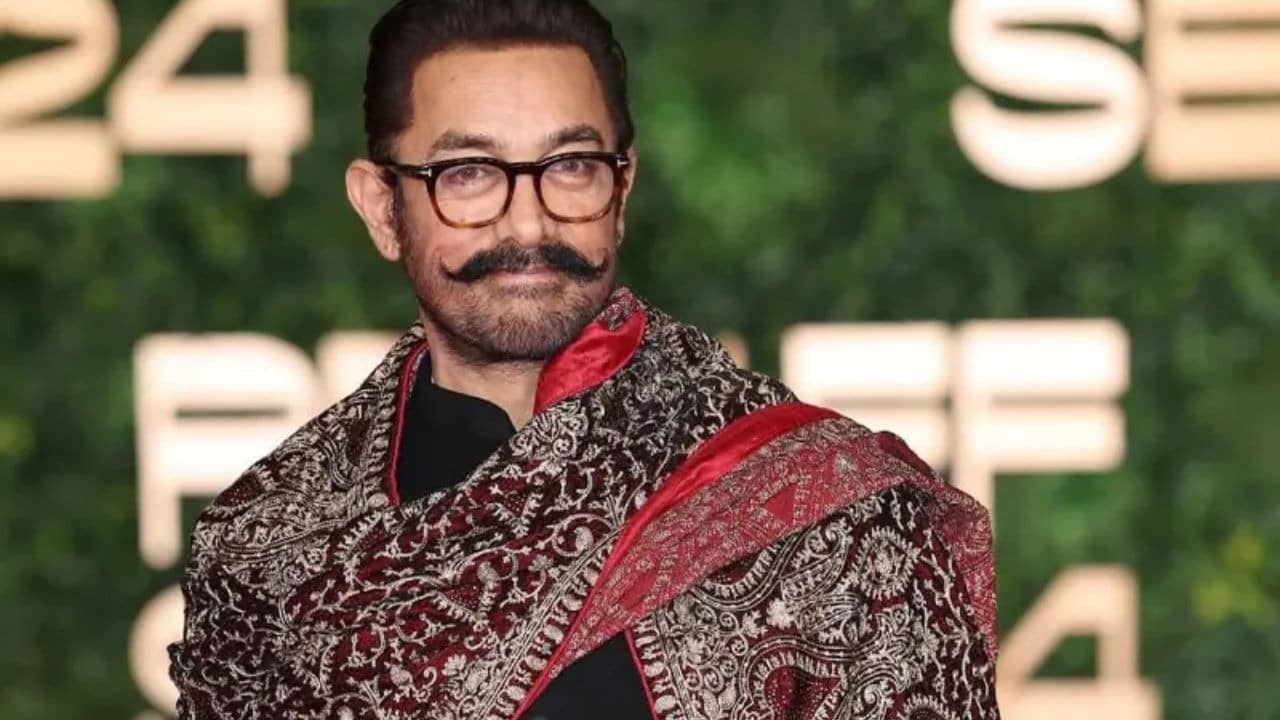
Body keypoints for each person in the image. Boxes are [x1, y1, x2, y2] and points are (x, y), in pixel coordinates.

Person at [169, 0, 1001, 718]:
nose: (529, 223)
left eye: (570, 167)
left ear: (621, 189)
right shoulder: (273, 545)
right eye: (469, 173)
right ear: (383, 208)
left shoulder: (821, 503)